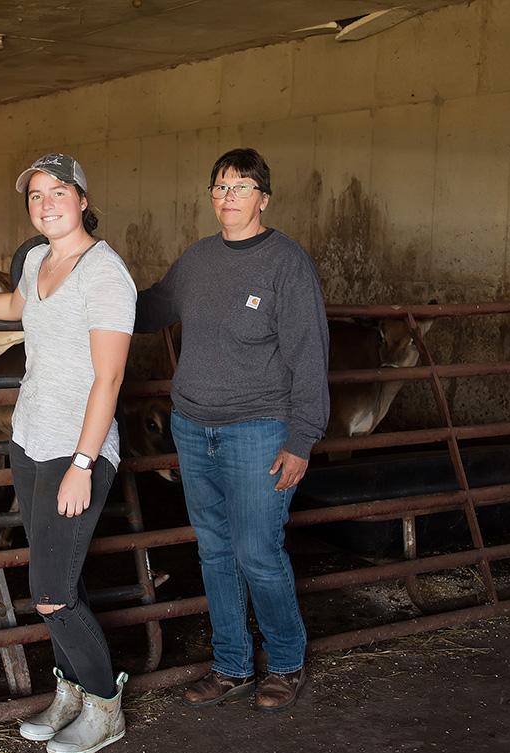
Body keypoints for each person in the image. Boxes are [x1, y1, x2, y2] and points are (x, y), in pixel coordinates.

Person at [0, 153, 137, 753]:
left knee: (50, 592)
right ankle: (70, 692)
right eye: (36, 195)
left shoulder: (104, 274)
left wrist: (82, 463)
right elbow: (19, 307)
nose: (46, 204)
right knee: (56, 579)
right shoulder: (40, 258)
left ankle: (104, 706)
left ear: (82, 198)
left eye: (58, 192)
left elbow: (110, 378)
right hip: (30, 438)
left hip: (77, 450)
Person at [135, 148, 329, 714]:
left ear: (262, 198)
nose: (228, 197)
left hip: (259, 430)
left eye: (241, 187)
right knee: (215, 551)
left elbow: (309, 355)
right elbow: (149, 312)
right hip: (193, 427)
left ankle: (287, 663)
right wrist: (91, 273)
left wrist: (301, 439)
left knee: (257, 551)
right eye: (220, 187)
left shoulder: (286, 264)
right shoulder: (196, 260)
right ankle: (232, 665)